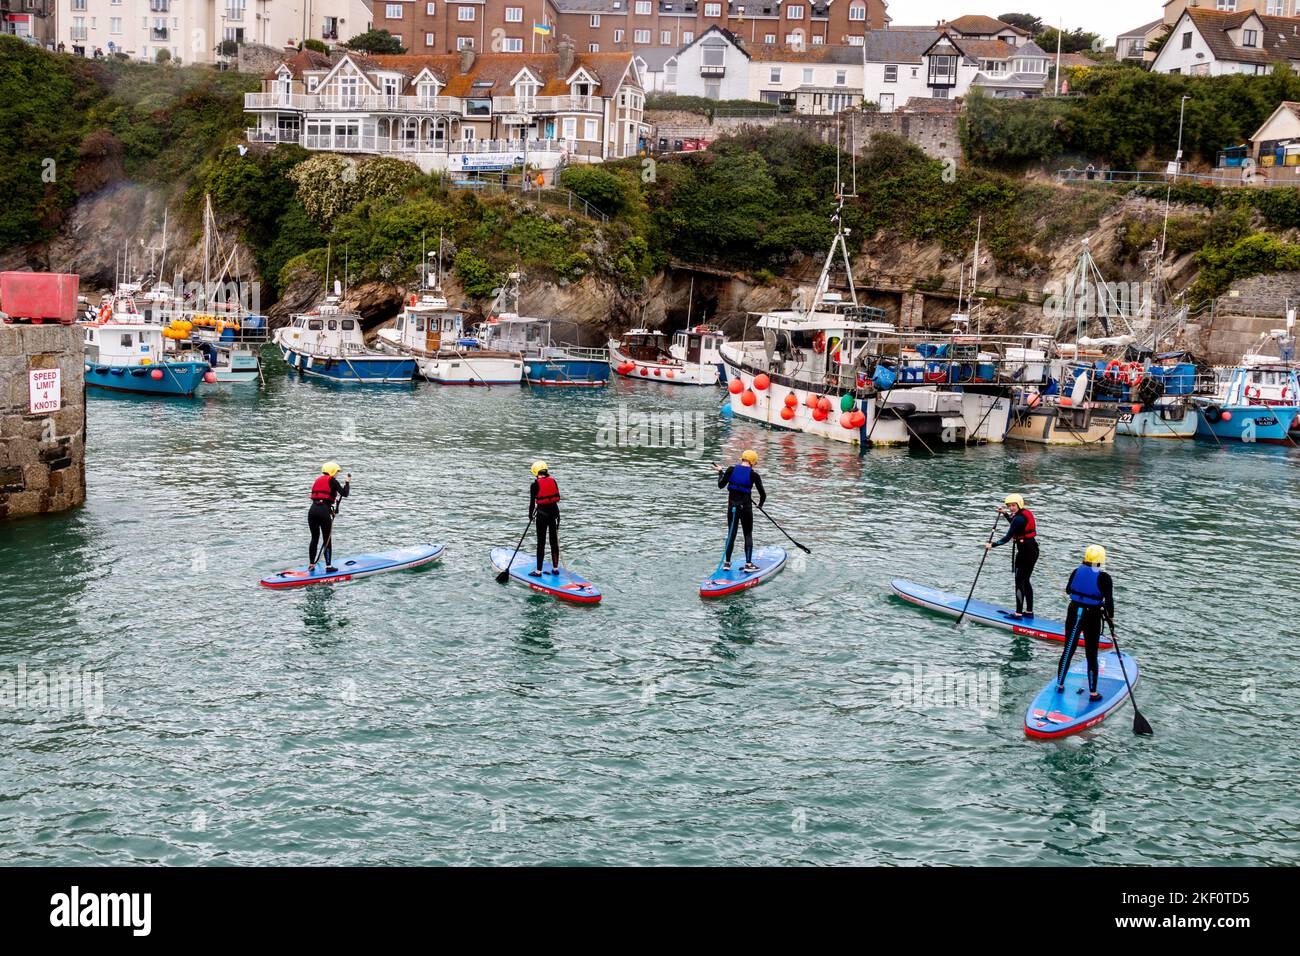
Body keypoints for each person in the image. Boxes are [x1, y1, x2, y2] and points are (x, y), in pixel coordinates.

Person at [1056, 545, 1115, 702]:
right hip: (1092, 616)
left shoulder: (1076, 571)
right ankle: (1093, 693)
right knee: (1091, 654)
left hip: (1074, 612)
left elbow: (1069, 590)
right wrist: (1111, 620)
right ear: (1101, 560)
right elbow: (1109, 603)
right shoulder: (1104, 578)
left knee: (1068, 649)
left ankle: (1060, 685)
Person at [985, 493, 1037, 619]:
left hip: (1025, 553)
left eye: (1013, 505)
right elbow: (1014, 524)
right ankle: (1029, 612)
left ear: (1019, 504)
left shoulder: (1019, 518)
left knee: (1019, 582)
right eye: (1009, 506)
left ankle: (1018, 613)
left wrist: (993, 544)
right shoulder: (1022, 515)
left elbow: (1007, 538)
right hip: (1032, 550)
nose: (1011, 508)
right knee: (1026, 581)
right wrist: (1004, 514)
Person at [714, 449, 766, 573]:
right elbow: (763, 495)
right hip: (746, 509)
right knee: (747, 535)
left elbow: (721, 485)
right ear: (753, 462)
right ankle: (748, 564)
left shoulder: (731, 470)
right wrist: (760, 505)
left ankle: (727, 563)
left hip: (732, 508)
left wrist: (720, 472)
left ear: (742, 459)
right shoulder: (754, 475)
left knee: (731, 534)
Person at [308, 461, 350, 573]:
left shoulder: (317, 480)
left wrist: (330, 510)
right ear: (332, 471)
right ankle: (328, 566)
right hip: (323, 511)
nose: (337, 475)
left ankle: (311, 564)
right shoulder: (333, 480)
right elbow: (344, 493)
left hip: (312, 510)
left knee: (314, 538)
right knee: (327, 539)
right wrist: (347, 483)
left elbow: (320, 499)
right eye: (337, 472)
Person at [528, 460, 561, 577]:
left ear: (536, 472)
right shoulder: (553, 481)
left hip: (542, 516)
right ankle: (555, 569)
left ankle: (538, 571)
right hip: (555, 515)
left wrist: (530, 516)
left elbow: (532, 503)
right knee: (554, 543)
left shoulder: (534, 485)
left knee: (541, 543)